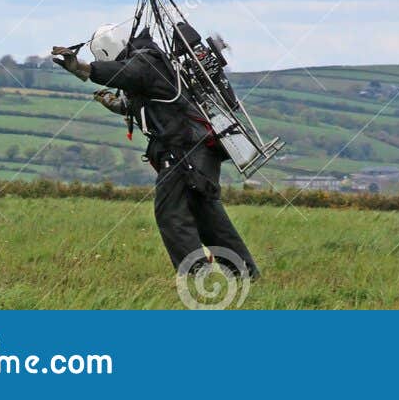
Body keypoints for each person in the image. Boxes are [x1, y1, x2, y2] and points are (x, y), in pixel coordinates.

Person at [52, 23, 258, 285]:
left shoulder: (145, 62)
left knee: (170, 213)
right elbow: (147, 100)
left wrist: (83, 69)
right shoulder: (154, 63)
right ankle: (245, 274)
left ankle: (197, 276)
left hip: (184, 153)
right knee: (208, 217)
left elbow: (127, 74)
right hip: (199, 150)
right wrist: (116, 105)